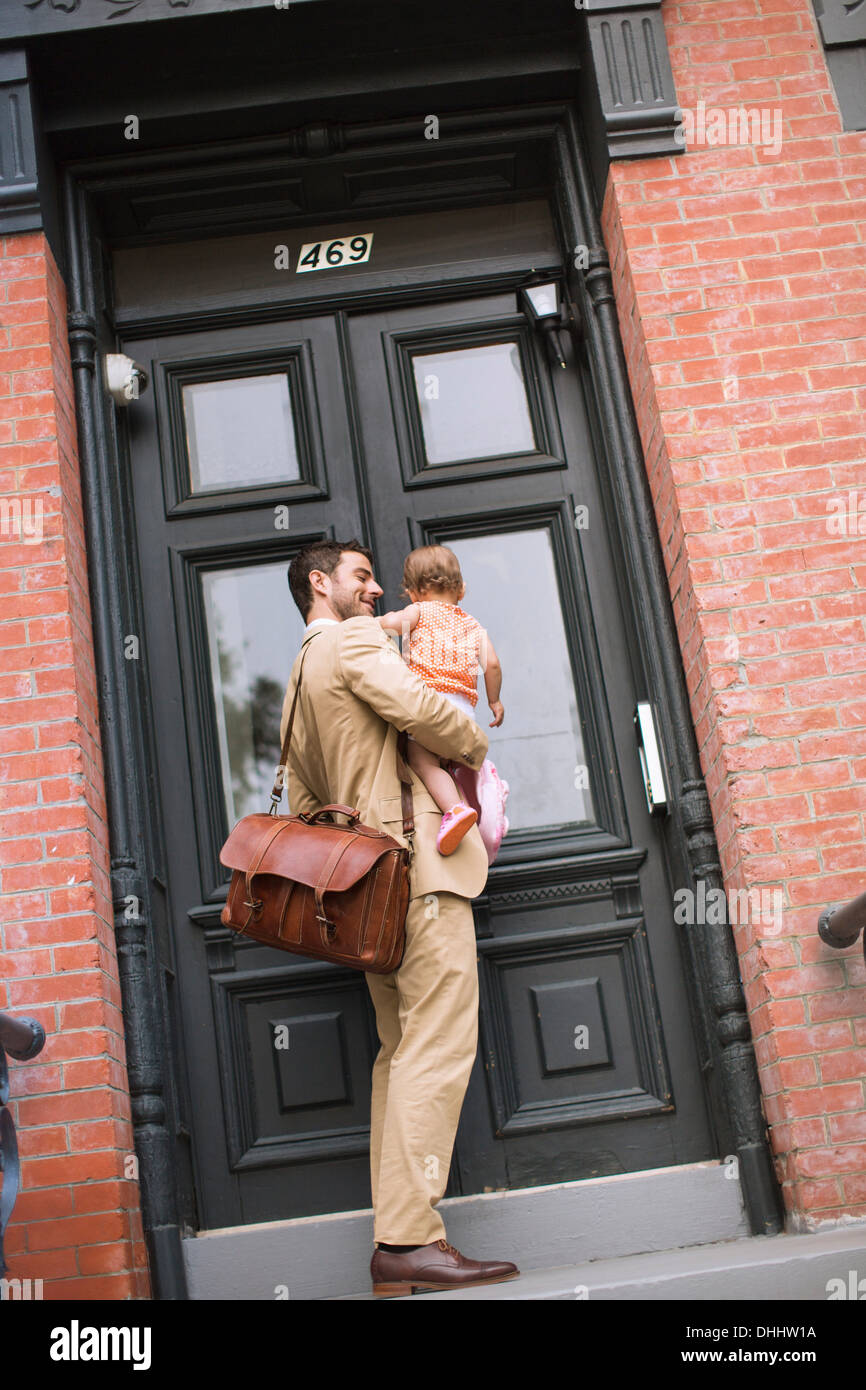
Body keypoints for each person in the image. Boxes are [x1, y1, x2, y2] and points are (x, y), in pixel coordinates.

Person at [280, 539, 520, 1297]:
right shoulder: (351, 640)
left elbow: (299, 799)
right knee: (439, 1044)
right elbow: (422, 710)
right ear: (321, 584)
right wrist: (476, 742)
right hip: (417, 871)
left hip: (366, 891)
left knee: (399, 1052)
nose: (378, 589)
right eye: (361, 575)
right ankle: (413, 1238)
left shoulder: (297, 673)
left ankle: (400, 1243)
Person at [377, 544, 504, 857]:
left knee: (422, 760)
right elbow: (492, 665)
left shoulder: (419, 611)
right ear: (461, 589)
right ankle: (482, 815)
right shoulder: (473, 625)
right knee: (451, 764)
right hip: (463, 711)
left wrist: (370, 624)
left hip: (430, 704)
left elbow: (393, 624)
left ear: (414, 592)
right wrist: (495, 702)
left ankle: (455, 811)